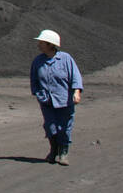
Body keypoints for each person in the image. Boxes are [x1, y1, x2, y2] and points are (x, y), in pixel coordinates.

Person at [30, 29, 83, 165]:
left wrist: (76, 92)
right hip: (47, 101)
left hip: (64, 100)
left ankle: (63, 152)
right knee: (50, 127)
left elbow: (75, 76)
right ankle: (54, 149)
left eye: (41, 42)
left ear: (49, 44)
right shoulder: (38, 61)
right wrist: (38, 93)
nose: (39, 44)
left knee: (65, 128)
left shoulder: (65, 59)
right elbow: (34, 80)